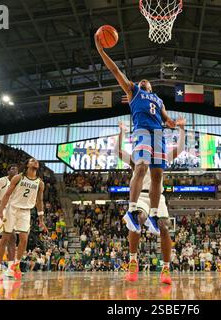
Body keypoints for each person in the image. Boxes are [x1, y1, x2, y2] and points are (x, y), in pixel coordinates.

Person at [95, 33, 180, 236]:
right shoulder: (133, 91)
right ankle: (132, 211)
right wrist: (101, 51)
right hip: (142, 131)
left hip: (158, 135)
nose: (143, 81)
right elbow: (115, 71)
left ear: (151, 87)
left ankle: (152, 213)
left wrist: (171, 122)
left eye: (146, 82)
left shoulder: (159, 100)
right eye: (141, 81)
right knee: (141, 167)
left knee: (157, 175)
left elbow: (166, 118)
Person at [115, 119, 186, 285]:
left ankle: (166, 268)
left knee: (164, 227)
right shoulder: (136, 158)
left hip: (157, 197)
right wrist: (122, 132)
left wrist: (182, 129)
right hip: (140, 196)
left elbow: (180, 149)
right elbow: (118, 151)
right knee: (137, 219)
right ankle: (133, 261)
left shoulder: (162, 156)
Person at [0, 158, 48, 281]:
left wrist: (41, 219)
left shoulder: (40, 183)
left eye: (36, 161)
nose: (35, 162)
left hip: (26, 211)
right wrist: (0, 211)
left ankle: (15, 266)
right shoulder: (18, 178)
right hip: (12, 209)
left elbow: (40, 201)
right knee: (5, 238)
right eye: (32, 161)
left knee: (24, 238)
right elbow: (7, 195)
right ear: (27, 165)